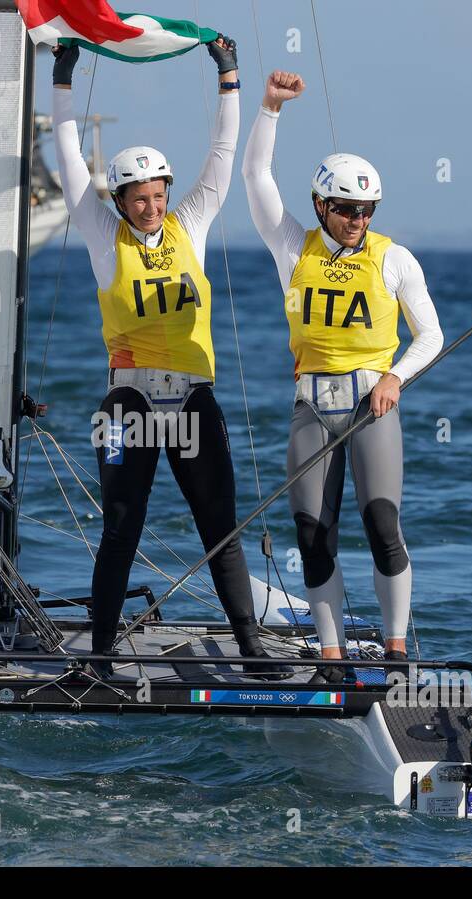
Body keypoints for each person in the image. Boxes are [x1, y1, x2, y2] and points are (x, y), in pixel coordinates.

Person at [52, 38, 291, 681]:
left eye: (158, 195)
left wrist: (228, 75)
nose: (151, 206)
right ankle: (99, 657)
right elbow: (70, 157)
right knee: (121, 529)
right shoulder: (103, 235)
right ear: (121, 200)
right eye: (138, 198)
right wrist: (65, 74)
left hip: (191, 400)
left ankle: (250, 652)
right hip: (127, 403)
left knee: (220, 528)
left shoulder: (192, 221)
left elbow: (221, 155)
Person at [241, 71, 445, 681]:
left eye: (367, 210)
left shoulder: (395, 259)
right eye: (347, 210)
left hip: (370, 407)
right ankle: (331, 655)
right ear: (322, 207)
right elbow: (255, 178)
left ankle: (397, 649)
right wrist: (270, 109)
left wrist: (395, 378)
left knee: (383, 523)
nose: (358, 219)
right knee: (312, 532)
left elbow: (430, 336)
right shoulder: (291, 248)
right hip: (311, 406)